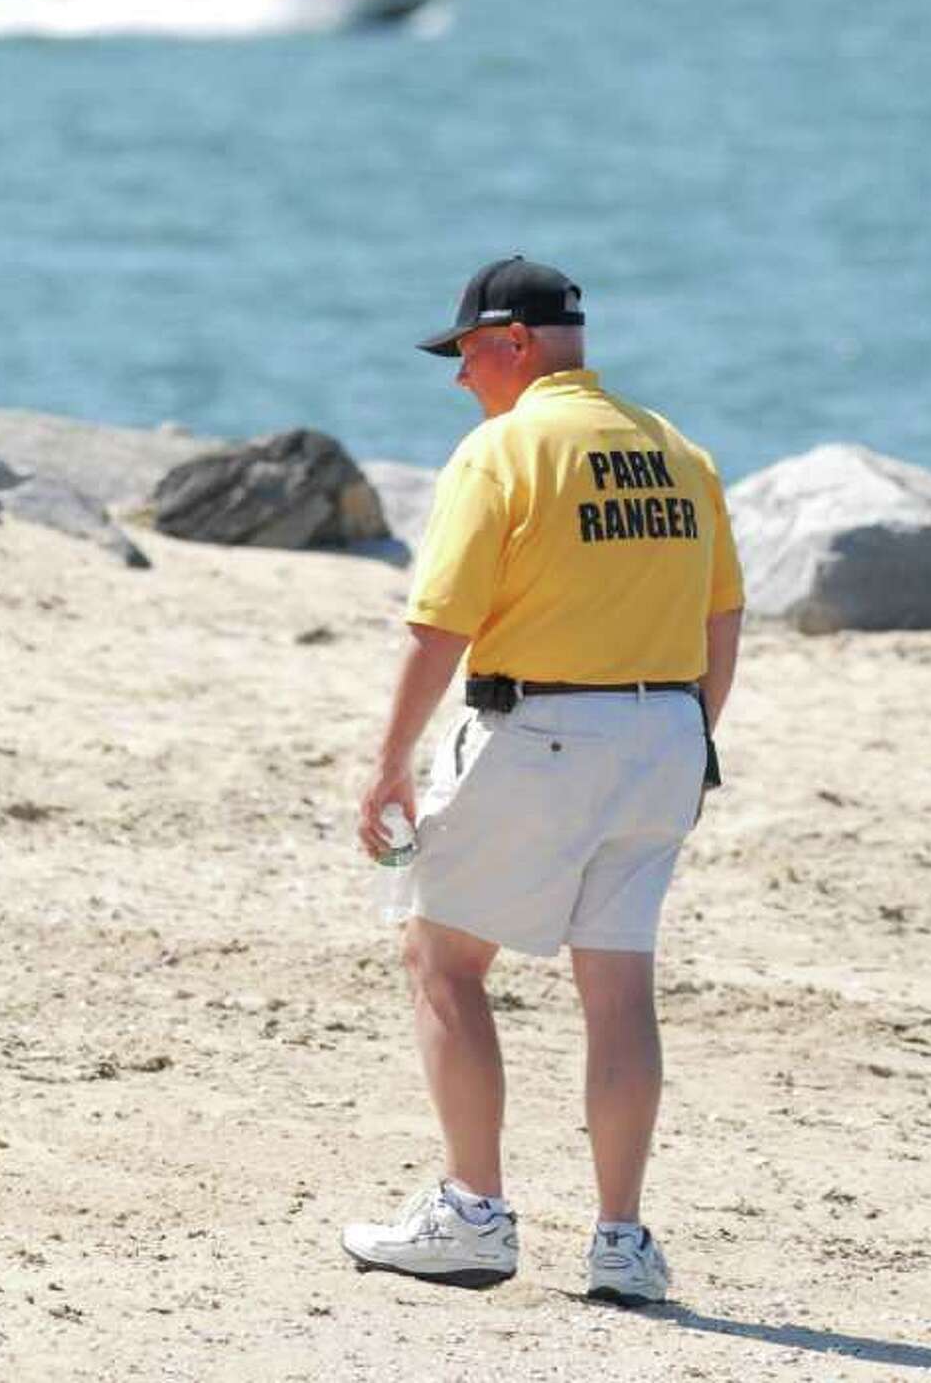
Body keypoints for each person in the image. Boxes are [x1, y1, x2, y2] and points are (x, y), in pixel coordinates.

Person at [342, 257, 744, 1304]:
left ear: (515, 340)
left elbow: (442, 623)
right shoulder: (677, 448)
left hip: (542, 724)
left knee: (441, 953)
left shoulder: (503, 449)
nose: (460, 377)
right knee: (617, 988)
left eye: (467, 352)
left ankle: (473, 1212)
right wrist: (691, 731)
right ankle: (621, 1237)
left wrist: (388, 759)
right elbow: (722, 615)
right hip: (665, 731)